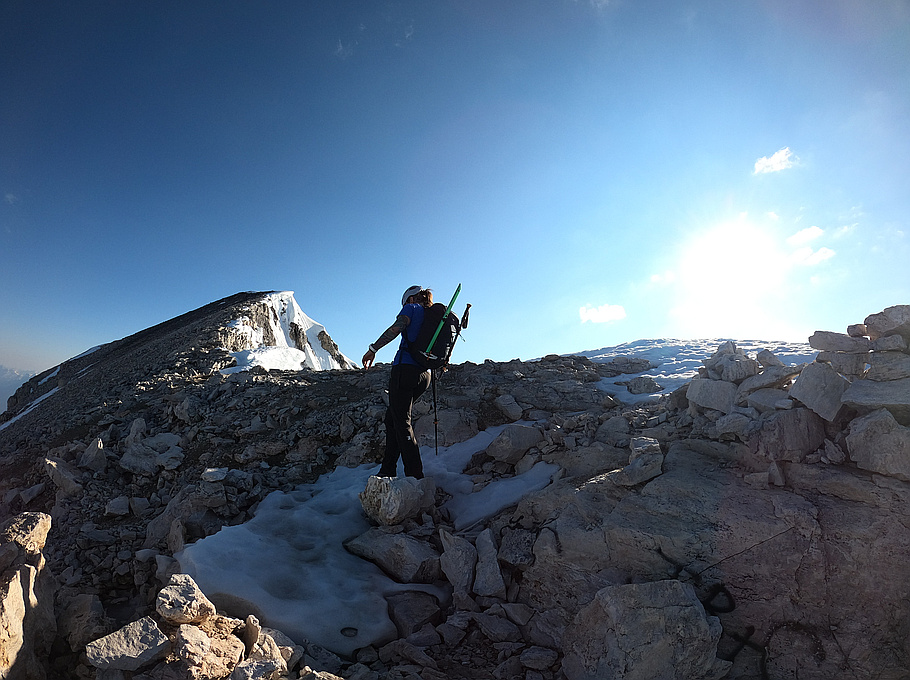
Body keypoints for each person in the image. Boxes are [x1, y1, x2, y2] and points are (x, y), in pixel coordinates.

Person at [362, 286, 433, 479]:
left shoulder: (412, 309)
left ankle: (415, 475)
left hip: (405, 371)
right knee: (392, 418)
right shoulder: (432, 316)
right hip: (424, 376)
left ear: (410, 299)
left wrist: (373, 348)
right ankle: (387, 470)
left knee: (401, 422)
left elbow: (396, 328)